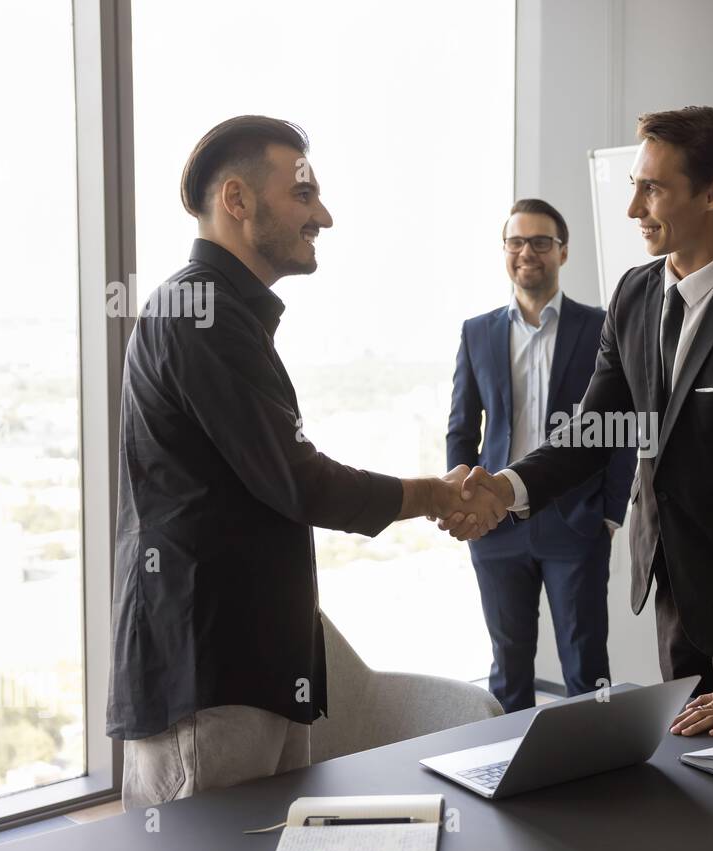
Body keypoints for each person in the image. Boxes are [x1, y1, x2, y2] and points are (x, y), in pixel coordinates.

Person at [108, 115, 503, 809]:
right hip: (208, 678)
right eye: (304, 195)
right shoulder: (200, 313)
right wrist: (437, 494)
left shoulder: (222, 313)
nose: (324, 214)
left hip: (247, 675)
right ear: (236, 200)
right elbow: (296, 479)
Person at [447, 107, 713, 735]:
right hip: (675, 588)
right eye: (634, 185)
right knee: (687, 775)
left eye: (652, 188)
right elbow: (596, 428)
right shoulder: (633, 294)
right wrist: (507, 487)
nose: (633, 209)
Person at [447, 199, 636, 711]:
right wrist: (460, 500)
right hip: (496, 524)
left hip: (576, 522)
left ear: (562, 252)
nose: (527, 252)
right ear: (505, 250)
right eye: (516, 241)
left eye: (540, 242)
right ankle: (505, 778)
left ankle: (596, 771)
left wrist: (611, 515)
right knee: (507, 667)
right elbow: (462, 428)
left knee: (585, 664)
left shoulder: (600, 326)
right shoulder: (477, 331)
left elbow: (619, 426)